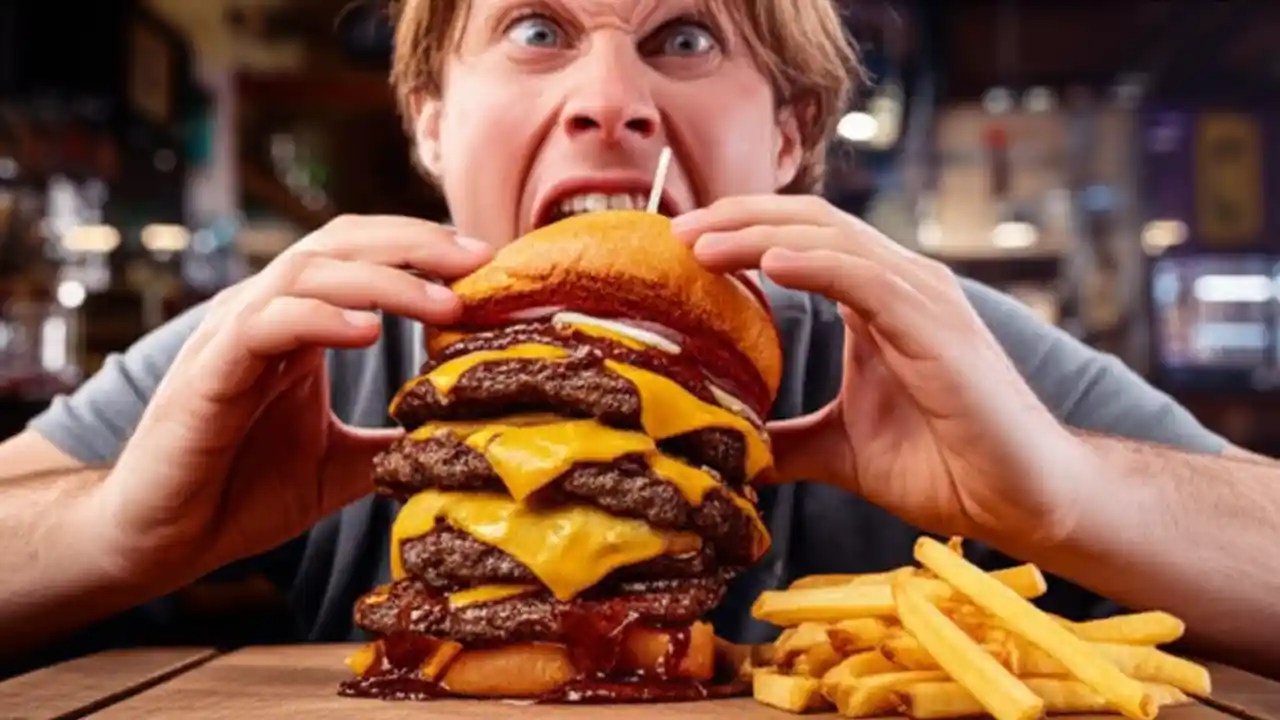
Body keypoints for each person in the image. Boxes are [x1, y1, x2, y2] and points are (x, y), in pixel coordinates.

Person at [3, 0, 1278, 681]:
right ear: (430, 120)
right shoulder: (314, 343)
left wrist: (1059, 495)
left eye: (685, 37)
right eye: (536, 31)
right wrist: (120, 528)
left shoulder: (914, 346)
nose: (610, 104)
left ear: (787, 138)